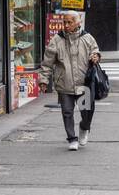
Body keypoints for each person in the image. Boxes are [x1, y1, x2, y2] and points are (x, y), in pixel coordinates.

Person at [38, 11, 101, 149]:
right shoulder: (57, 40)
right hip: (64, 83)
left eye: (70, 22)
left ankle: (84, 128)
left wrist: (95, 56)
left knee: (87, 112)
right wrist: (43, 80)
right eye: (64, 22)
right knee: (67, 112)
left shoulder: (87, 38)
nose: (66, 25)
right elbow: (47, 62)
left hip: (84, 83)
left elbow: (94, 50)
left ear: (78, 23)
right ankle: (72, 138)